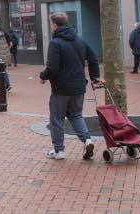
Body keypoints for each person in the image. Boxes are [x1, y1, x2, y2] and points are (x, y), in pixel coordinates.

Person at [39, 12, 100, 160]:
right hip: (79, 86)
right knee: (76, 115)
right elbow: (93, 58)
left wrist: (43, 76)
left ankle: (59, 151)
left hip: (61, 88)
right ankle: (87, 140)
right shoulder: (79, 40)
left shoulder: (55, 43)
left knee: (57, 118)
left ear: (54, 25)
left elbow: (53, 67)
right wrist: (95, 77)